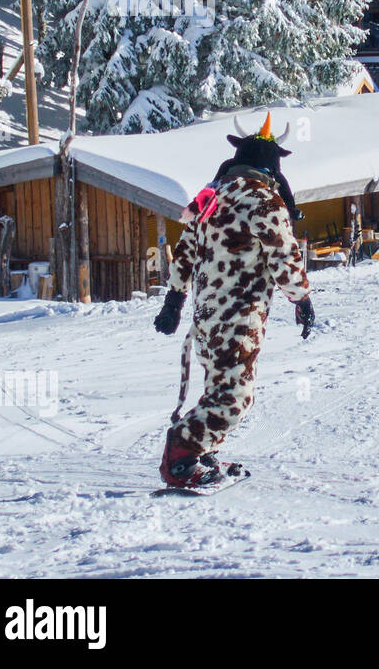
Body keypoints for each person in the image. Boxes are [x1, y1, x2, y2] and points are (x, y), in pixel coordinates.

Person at [153, 112, 315, 489]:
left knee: (218, 388)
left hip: (206, 318)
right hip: (239, 317)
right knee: (234, 398)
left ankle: (201, 448)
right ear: (272, 167)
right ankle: (182, 455)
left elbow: (185, 251)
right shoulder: (264, 201)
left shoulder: (210, 199)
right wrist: (302, 299)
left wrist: (174, 301)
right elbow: (284, 257)